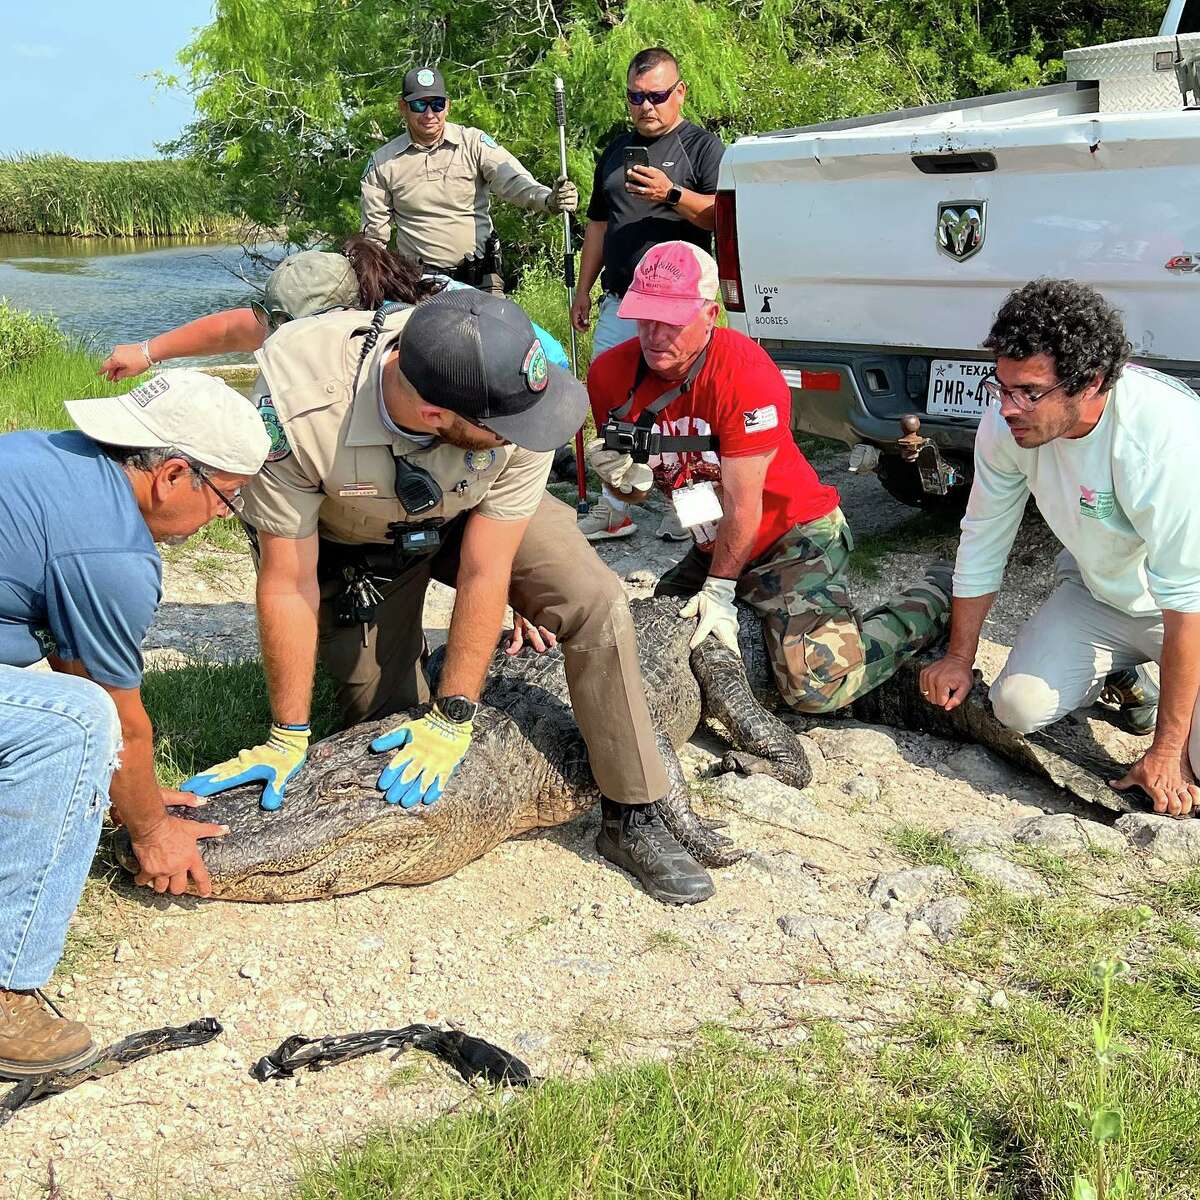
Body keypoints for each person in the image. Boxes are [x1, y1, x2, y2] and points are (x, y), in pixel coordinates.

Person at [178, 289, 714, 907]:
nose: (531, 431)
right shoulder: (296, 404)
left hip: (475, 510)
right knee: (377, 723)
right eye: (504, 427)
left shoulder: (514, 393)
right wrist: (287, 732)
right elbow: (288, 581)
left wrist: (455, 713)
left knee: (594, 598)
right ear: (435, 413)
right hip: (356, 543)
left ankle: (633, 810)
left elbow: (488, 568)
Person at [0, 369, 270, 1079]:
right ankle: (4, 988)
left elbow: (73, 658)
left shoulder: (51, 458)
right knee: (75, 723)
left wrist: (129, 796)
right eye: (227, 498)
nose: (224, 517)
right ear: (173, 475)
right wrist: (152, 831)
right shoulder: (112, 551)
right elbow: (112, 714)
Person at [587, 242, 952, 713]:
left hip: (793, 537)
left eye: (671, 321)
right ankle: (772, 615)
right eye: (645, 318)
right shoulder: (609, 377)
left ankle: (932, 598)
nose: (655, 336)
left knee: (814, 688)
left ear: (710, 315)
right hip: (714, 536)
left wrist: (719, 589)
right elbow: (641, 490)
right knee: (658, 625)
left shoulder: (746, 374)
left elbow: (745, 504)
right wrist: (623, 483)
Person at [921, 279, 1197, 815]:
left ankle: (1149, 693)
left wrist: (1167, 751)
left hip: (1189, 612)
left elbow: (1188, 601)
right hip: (1100, 596)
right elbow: (983, 537)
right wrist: (958, 658)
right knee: (1015, 707)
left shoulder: (1164, 439)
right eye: (1001, 387)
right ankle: (1119, 670)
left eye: (1029, 392)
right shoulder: (1006, 426)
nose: (1008, 408)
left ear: (1090, 382)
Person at [570, 46, 725, 543]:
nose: (646, 106)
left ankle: (693, 511)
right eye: (636, 97)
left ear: (680, 92)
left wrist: (671, 194)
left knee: (683, 410)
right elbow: (598, 224)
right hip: (621, 302)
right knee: (613, 403)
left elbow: (721, 216)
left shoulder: (703, 148)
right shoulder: (616, 150)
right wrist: (583, 289)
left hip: (680, 309)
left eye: (656, 95)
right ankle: (617, 507)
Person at [99, 237, 569, 381]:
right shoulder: (351, 286)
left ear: (345, 314)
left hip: (527, 378)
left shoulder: (416, 324)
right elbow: (235, 329)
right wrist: (147, 351)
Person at [360, 65, 577, 294]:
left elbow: (513, 181)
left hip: (481, 280)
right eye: (419, 105)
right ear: (403, 107)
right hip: (422, 286)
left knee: (504, 319)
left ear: (448, 106)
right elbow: (373, 238)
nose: (429, 114)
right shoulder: (383, 163)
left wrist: (549, 199)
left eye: (437, 104)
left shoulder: (473, 143)